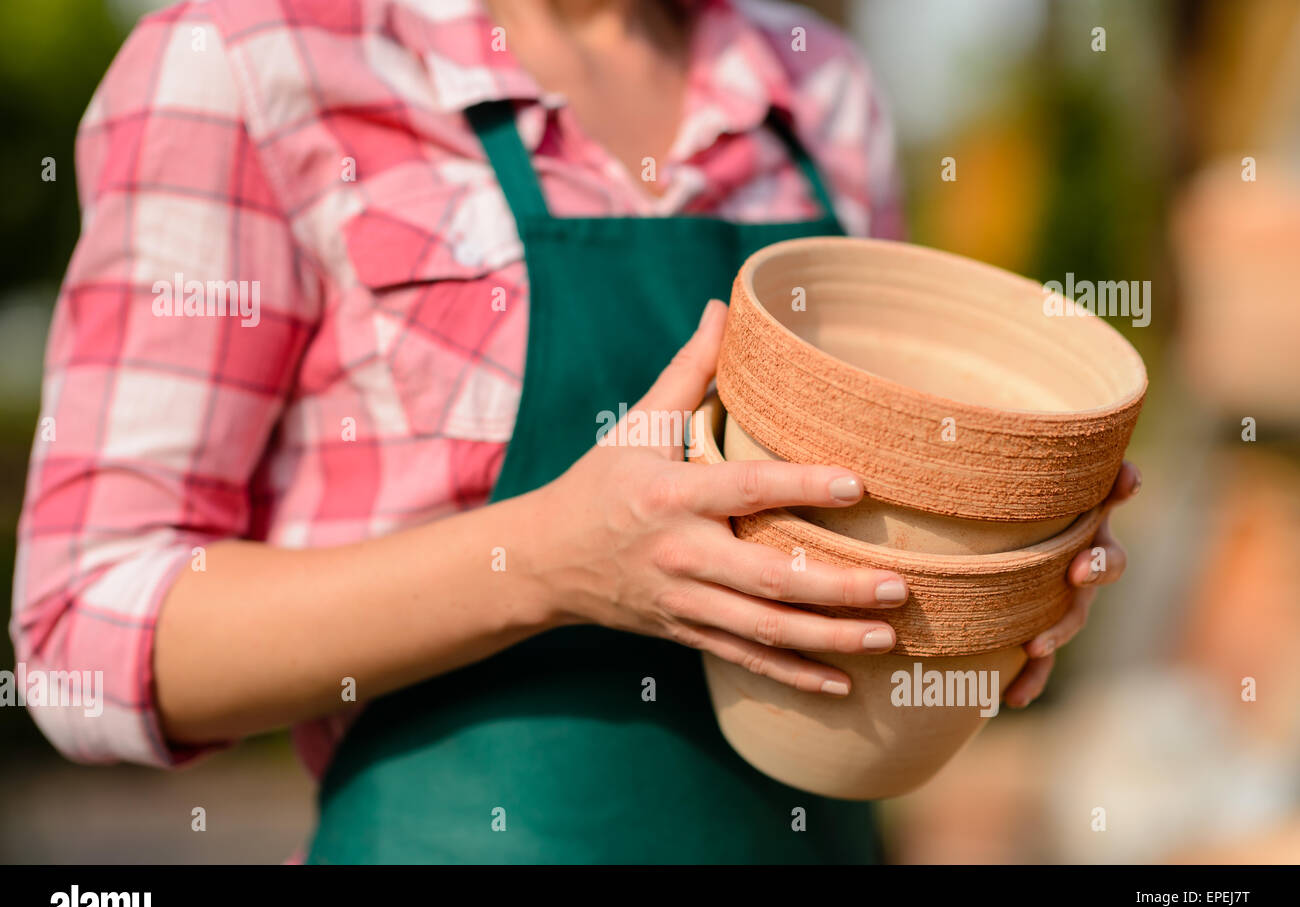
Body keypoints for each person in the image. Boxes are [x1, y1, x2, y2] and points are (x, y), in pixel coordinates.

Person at [11, 0, 1137, 862]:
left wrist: (989, 590)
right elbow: (82, 635)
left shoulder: (815, 86)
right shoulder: (254, 59)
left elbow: (865, 516)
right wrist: (549, 563)